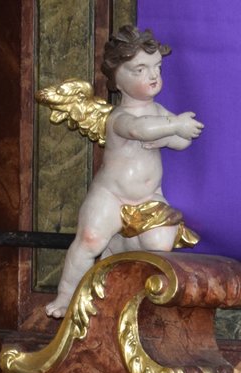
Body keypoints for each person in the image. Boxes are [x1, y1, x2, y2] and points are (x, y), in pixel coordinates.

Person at [46, 26, 204, 317]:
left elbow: (181, 142)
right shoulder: (119, 116)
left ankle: (120, 243)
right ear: (116, 79)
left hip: (149, 197)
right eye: (139, 70)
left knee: (160, 246)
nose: (153, 76)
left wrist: (170, 135)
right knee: (89, 239)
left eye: (156, 67)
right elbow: (138, 129)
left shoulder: (159, 111)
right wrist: (173, 127)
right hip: (111, 195)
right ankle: (66, 295)